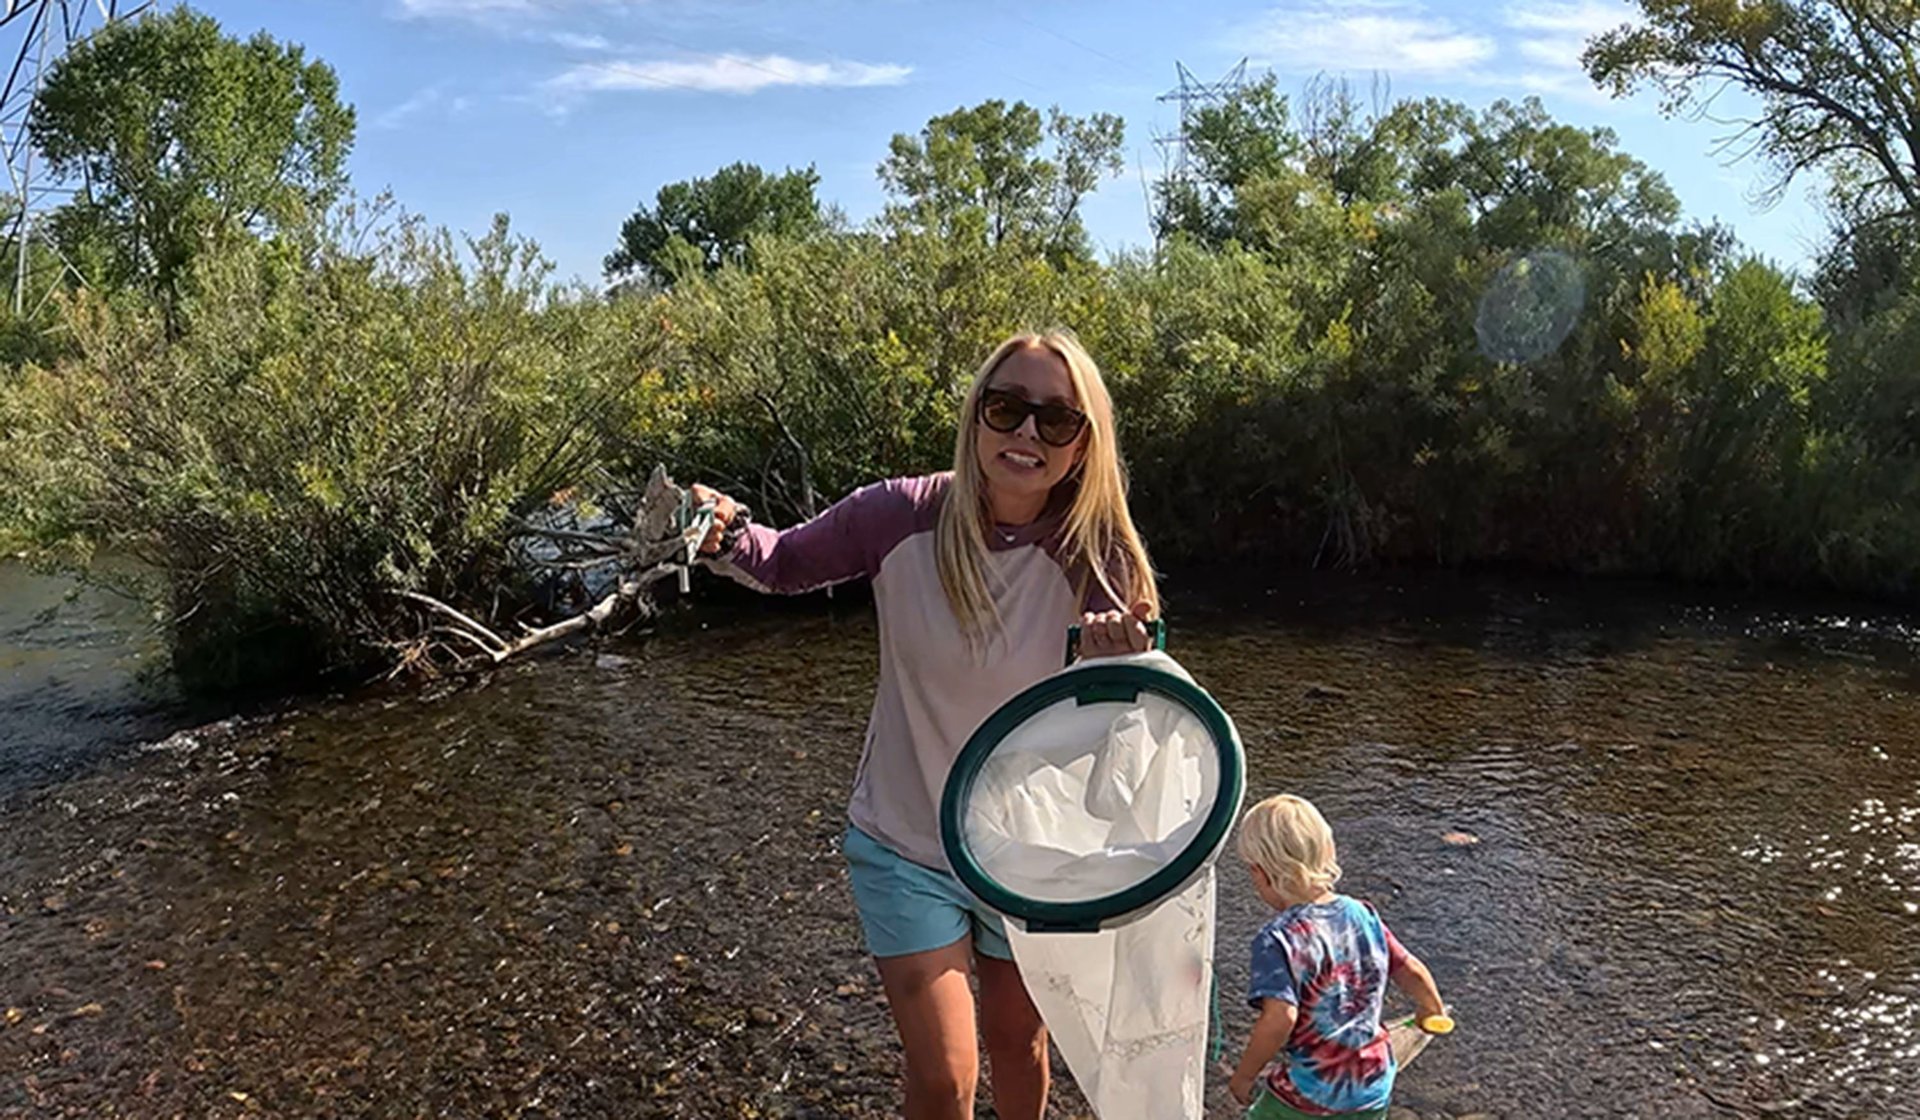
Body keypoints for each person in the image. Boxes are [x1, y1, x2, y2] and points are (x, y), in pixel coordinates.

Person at [688, 329, 1161, 1120]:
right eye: (1007, 408)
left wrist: (1119, 659)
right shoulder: (897, 514)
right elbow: (779, 561)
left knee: (1022, 1046)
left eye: (1056, 420)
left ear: (1083, 446)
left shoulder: (1095, 549)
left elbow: (1138, 706)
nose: (1025, 435)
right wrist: (721, 531)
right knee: (945, 1076)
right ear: (976, 414)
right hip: (904, 841)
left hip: (1032, 854)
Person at [1228, 794, 1450, 1119]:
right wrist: (1430, 1009)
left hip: (1311, 1095)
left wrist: (1245, 1075)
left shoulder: (1276, 939)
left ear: (1259, 873)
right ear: (1328, 851)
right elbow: (1409, 969)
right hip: (1373, 1085)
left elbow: (1280, 1018)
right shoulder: (1362, 914)